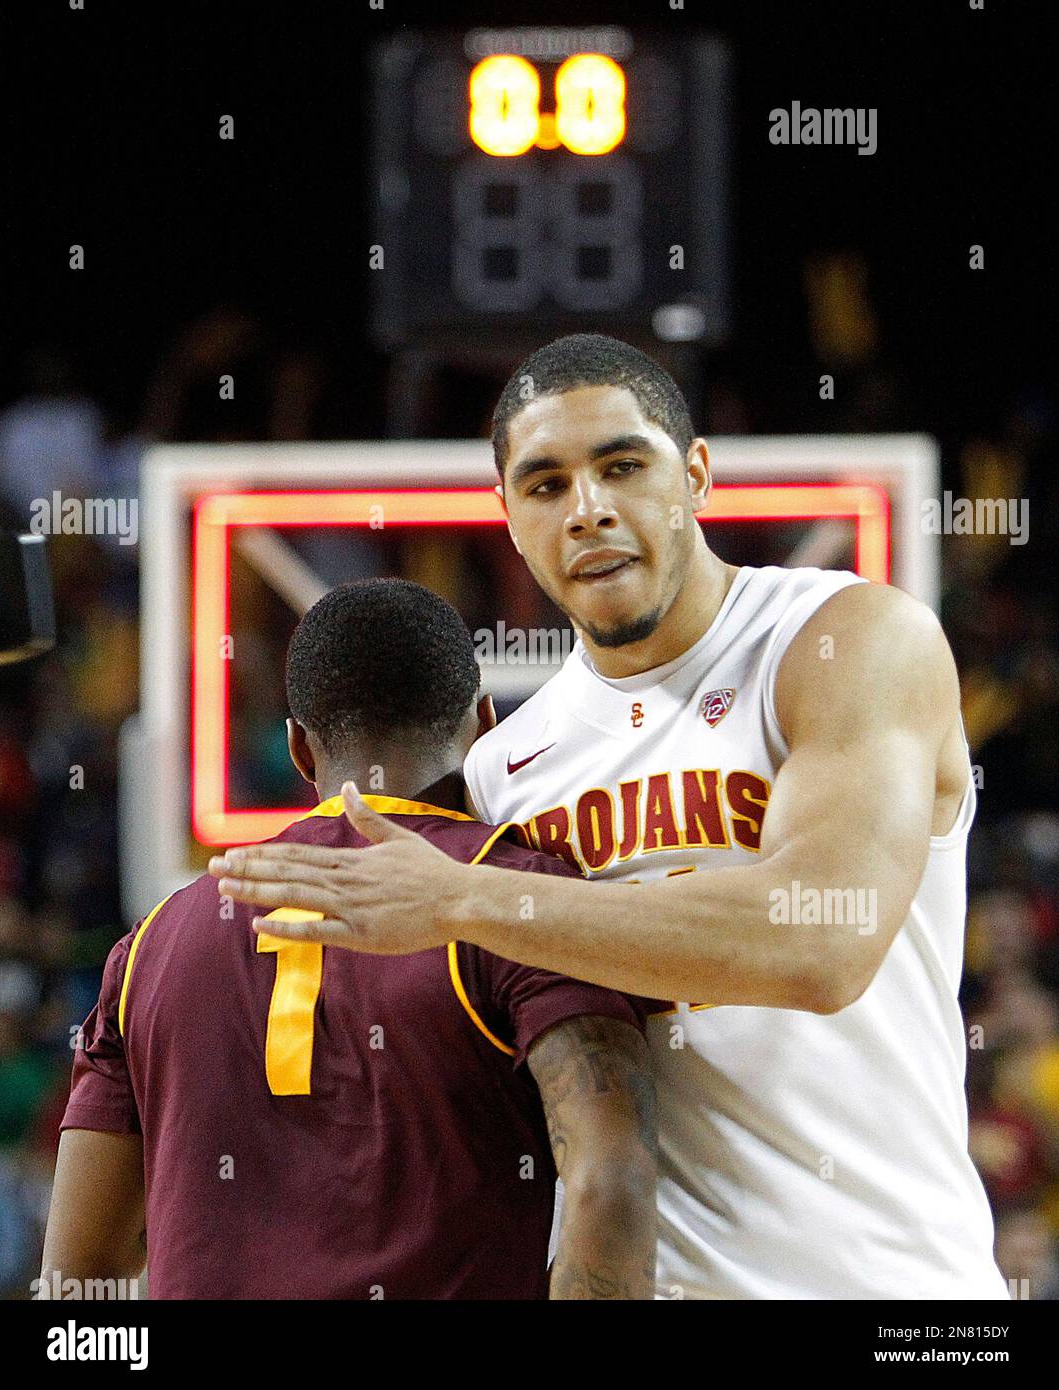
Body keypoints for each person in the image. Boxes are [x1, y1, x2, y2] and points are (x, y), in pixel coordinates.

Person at [212, 334, 1011, 1300]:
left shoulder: (845, 639)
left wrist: (469, 900)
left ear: (698, 475)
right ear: (507, 518)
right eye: (545, 485)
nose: (587, 509)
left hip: (887, 1288)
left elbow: (821, 943)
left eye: (623, 466)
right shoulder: (505, 767)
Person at [42, 578, 657, 1300]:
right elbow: (611, 1184)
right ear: (486, 723)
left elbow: (78, 1274)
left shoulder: (148, 945)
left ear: (300, 748)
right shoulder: (516, 900)